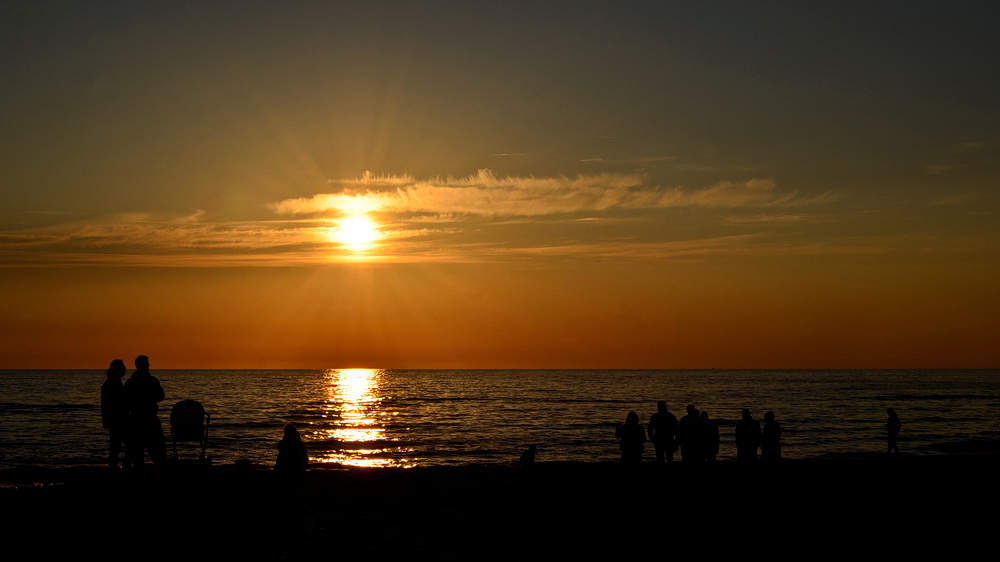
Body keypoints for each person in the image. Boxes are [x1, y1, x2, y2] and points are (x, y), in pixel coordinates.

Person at [123, 355, 167, 468]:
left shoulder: (131, 382)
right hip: (147, 419)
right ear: (141, 365)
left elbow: (126, 402)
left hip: (136, 419)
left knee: (137, 452)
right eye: (146, 364)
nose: (148, 366)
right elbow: (160, 396)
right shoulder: (151, 381)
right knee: (157, 450)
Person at [100, 359, 129, 469]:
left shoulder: (113, 381)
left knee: (115, 447)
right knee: (127, 445)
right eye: (123, 367)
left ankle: (116, 467)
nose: (125, 369)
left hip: (115, 419)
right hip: (117, 419)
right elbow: (117, 403)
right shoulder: (113, 383)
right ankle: (122, 467)